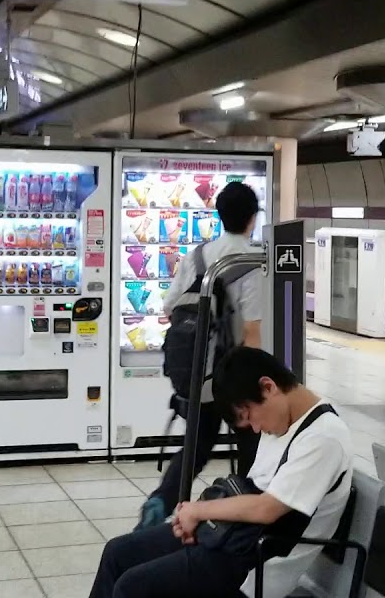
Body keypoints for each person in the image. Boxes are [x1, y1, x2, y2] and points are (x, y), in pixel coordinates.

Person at [91, 346, 353, 598]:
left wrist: (198, 511)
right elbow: (250, 489)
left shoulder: (323, 438)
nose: (254, 428)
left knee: (133, 587)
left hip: (257, 567)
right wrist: (198, 519)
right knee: (118, 553)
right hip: (233, 539)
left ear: (268, 387)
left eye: (249, 415)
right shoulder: (282, 420)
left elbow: (266, 508)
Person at [136, 181, 266, 530]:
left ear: (219, 215)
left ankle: (160, 502)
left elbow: (168, 307)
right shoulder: (252, 262)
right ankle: (244, 517)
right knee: (251, 443)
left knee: (196, 447)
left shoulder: (197, 256)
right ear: (252, 218)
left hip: (197, 374)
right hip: (234, 377)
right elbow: (252, 335)